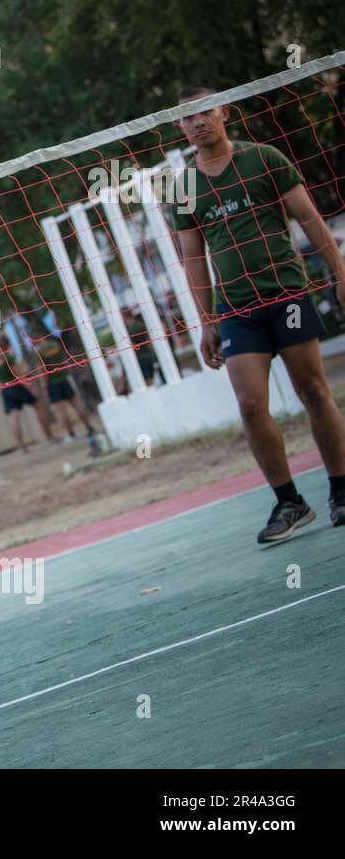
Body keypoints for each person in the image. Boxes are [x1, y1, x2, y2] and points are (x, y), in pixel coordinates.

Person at [171, 85, 345, 544]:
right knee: (250, 404)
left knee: (312, 389)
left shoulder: (264, 159)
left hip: (285, 295)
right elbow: (192, 258)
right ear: (180, 127)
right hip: (235, 310)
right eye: (187, 118)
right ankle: (290, 501)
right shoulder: (184, 185)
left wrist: (340, 273)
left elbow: (308, 218)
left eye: (205, 112)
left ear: (225, 112)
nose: (198, 123)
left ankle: (341, 490)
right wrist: (206, 321)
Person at [34, 331, 101, 448]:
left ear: (38, 338)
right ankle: (89, 428)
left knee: (62, 411)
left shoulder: (40, 351)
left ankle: (71, 434)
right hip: (65, 378)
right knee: (77, 405)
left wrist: (45, 386)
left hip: (53, 382)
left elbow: (44, 370)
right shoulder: (56, 345)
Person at [0, 333, 56, 451]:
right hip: (17, 386)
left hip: (5, 389)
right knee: (39, 406)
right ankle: (50, 437)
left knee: (14, 417)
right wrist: (31, 388)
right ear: (7, 344)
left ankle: (22, 447)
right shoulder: (9, 357)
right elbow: (18, 374)